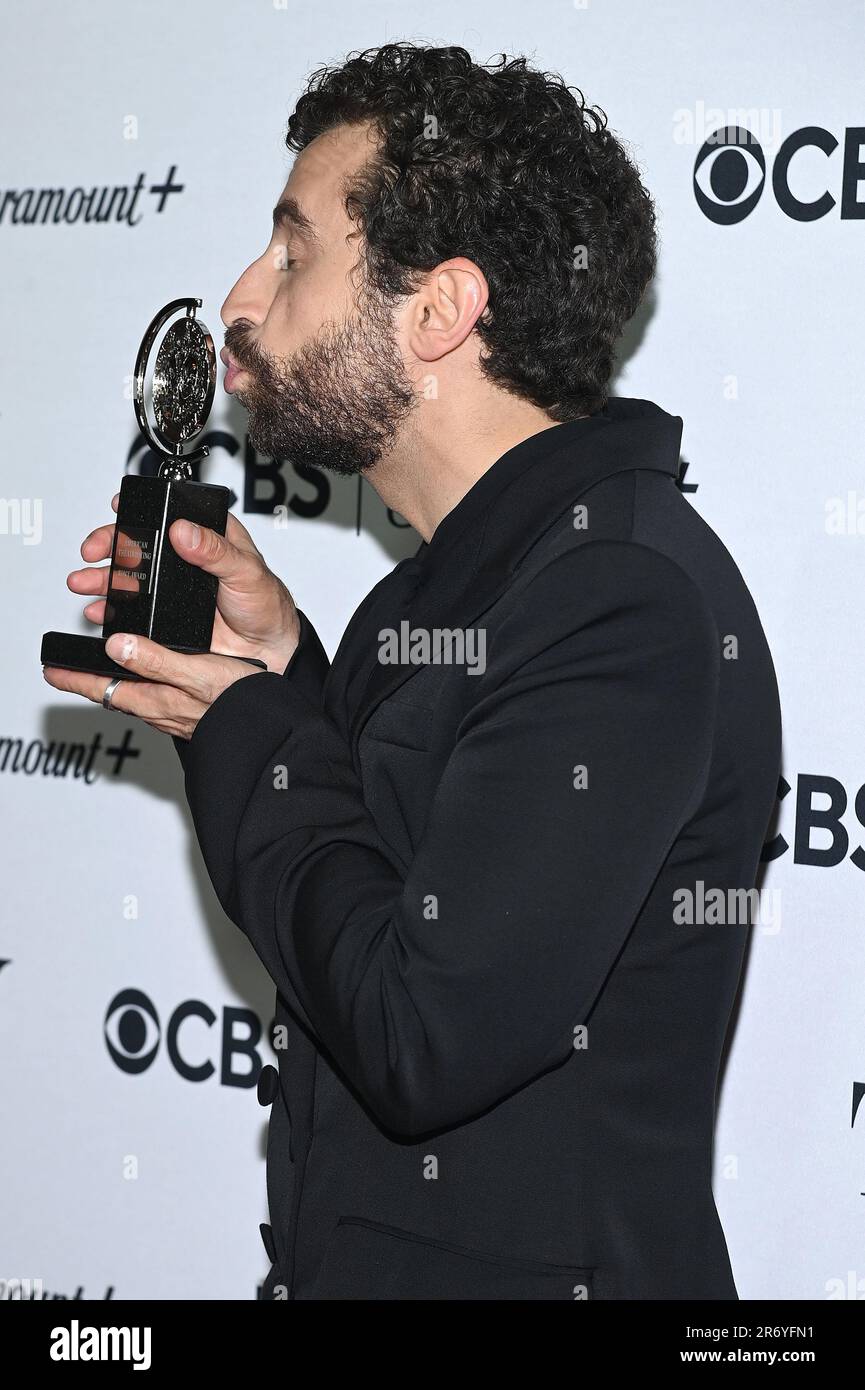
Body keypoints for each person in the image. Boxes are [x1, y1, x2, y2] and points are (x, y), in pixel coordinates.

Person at [44, 43, 782, 1300]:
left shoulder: (624, 601)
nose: (239, 297)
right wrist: (280, 665)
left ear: (438, 310)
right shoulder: (463, 578)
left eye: (291, 253)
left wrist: (256, 732)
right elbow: (432, 850)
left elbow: (422, 1032)